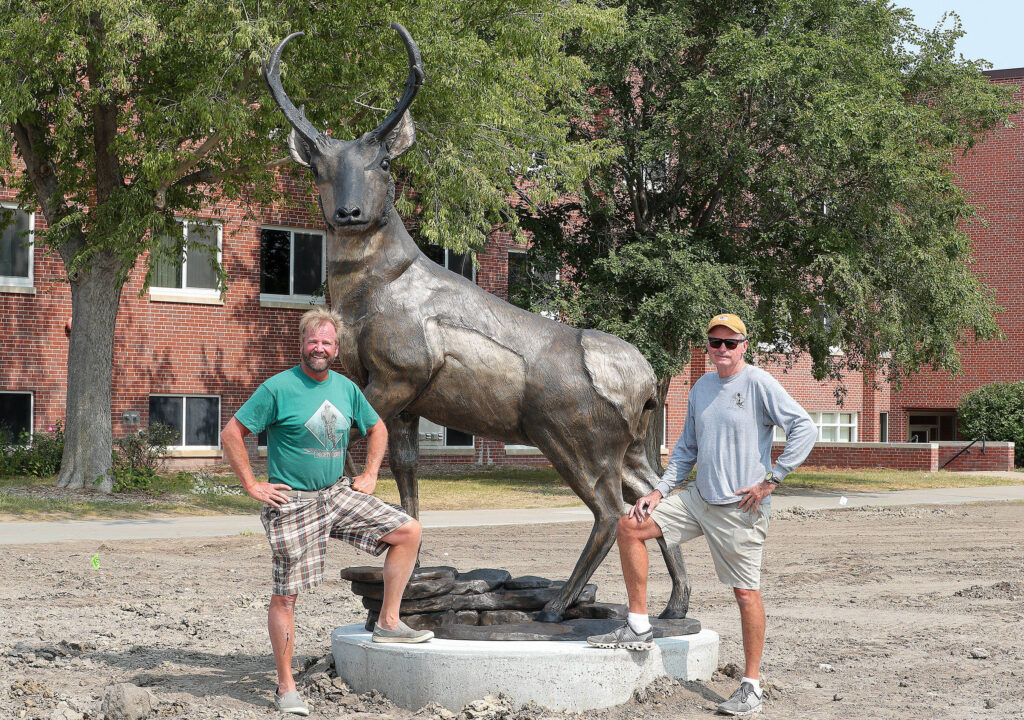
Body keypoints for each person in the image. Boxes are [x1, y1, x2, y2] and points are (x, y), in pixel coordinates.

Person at [587, 313, 816, 716]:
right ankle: (638, 625)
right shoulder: (702, 388)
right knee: (629, 527)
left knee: (746, 594)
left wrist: (772, 480)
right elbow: (686, 449)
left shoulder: (759, 383)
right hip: (698, 500)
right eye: (715, 342)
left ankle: (751, 687)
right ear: (707, 346)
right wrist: (659, 491)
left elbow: (804, 428)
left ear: (745, 345)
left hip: (740, 508)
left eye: (731, 342)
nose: (722, 349)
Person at [222, 308, 431, 717]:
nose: (320, 348)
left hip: (336, 495)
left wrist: (371, 472)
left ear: (336, 349)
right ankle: (286, 688)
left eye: (327, 342)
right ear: (302, 344)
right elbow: (233, 432)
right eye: (313, 341)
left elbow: (378, 428)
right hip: (293, 502)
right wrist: (251, 484)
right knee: (286, 596)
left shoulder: (347, 389)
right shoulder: (278, 388)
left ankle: (388, 623)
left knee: (408, 532)